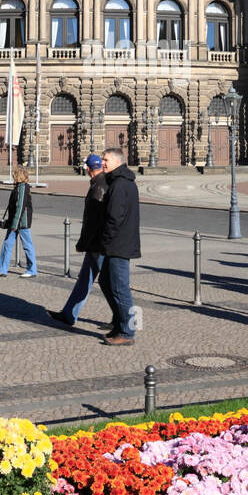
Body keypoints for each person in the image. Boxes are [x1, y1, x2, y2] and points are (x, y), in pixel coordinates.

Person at [47, 154, 109, 329]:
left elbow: (93, 221)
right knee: (85, 279)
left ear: (88, 168)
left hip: (98, 244)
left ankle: (121, 320)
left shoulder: (98, 186)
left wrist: (83, 242)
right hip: (96, 243)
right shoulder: (101, 183)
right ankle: (69, 314)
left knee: (110, 284)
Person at [97, 147, 141, 346]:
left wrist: (104, 241)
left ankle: (127, 332)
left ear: (117, 161)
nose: (102, 163)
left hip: (117, 245)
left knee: (120, 288)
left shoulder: (120, 184)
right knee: (106, 282)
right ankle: (119, 323)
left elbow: (114, 218)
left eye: (105, 160)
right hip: (117, 243)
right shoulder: (119, 181)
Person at [0, 165, 38, 277]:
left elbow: (20, 206)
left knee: (27, 245)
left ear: (18, 176)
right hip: (15, 222)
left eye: (14, 174)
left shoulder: (23, 187)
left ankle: (32, 270)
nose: (13, 176)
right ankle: (2, 269)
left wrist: (15, 224)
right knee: (7, 244)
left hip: (22, 222)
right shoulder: (18, 187)